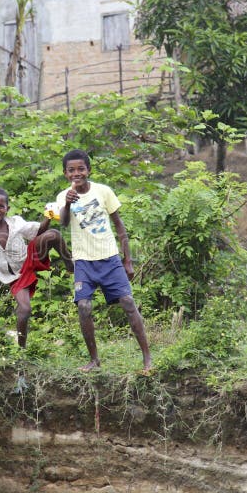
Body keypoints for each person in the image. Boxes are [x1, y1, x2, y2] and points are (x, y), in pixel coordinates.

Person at [56, 149, 152, 372]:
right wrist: (68, 204)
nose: (76, 174)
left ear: (88, 170)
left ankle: (147, 357)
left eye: (81, 169)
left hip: (109, 258)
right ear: (65, 174)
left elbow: (119, 225)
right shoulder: (63, 196)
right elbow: (63, 223)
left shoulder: (103, 191)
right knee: (84, 306)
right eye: (71, 170)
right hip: (83, 261)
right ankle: (94, 360)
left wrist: (127, 260)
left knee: (128, 302)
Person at [0, 187, 73, 348]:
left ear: (7, 208)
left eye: (0, 206)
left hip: (29, 258)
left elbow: (38, 231)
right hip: (15, 276)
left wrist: (48, 217)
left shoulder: (15, 222)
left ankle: (71, 265)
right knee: (25, 309)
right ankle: (21, 348)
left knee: (53, 234)